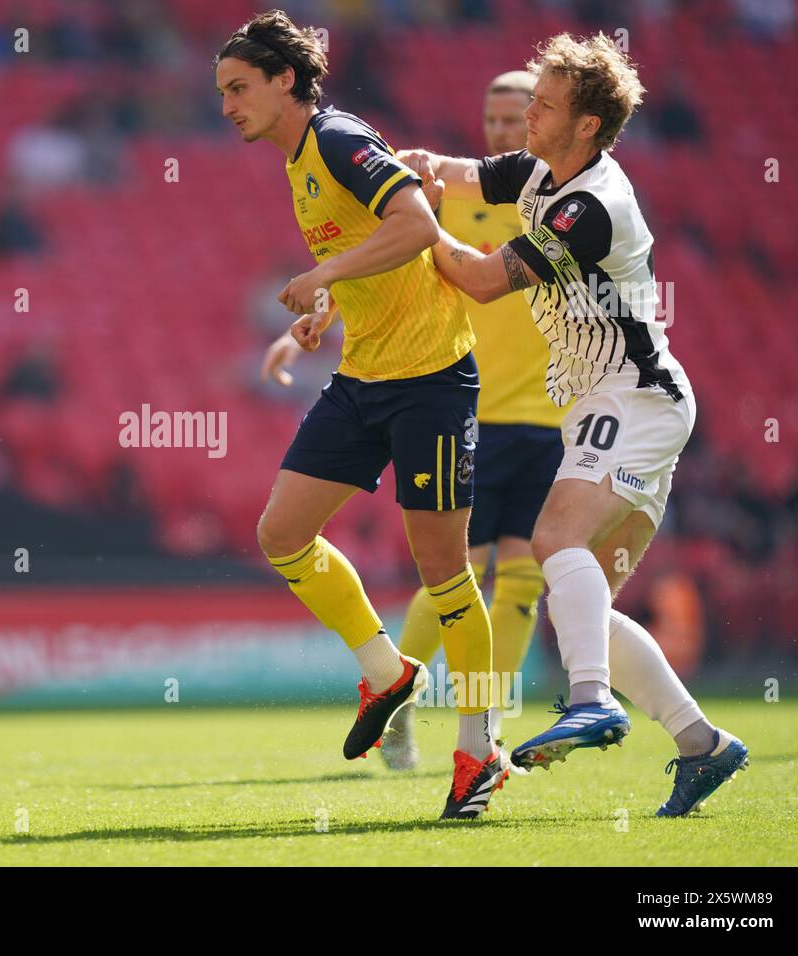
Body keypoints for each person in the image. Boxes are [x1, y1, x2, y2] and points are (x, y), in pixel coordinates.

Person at [401, 33, 747, 816]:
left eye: (546, 104)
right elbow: (461, 173)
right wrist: (406, 168)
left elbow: (487, 281)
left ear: (586, 126)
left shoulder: (589, 207)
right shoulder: (543, 170)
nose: (529, 113)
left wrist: (416, 230)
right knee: (580, 598)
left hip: (633, 398)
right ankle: (702, 744)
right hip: (615, 404)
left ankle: (591, 701)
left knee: (551, 541)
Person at [220, 9, 503, 819]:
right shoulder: (300, 159)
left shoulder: (340, 136)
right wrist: (330, 304)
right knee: (281, 535)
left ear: (286, 82)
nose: (230, 105)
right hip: (363, 376)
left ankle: (479, 751)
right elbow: (378, 250)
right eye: (223, 92)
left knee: (444, 572)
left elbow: (414, 223)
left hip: (433, 383)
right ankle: (388, 674)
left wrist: (320, 272)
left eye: (240, 88)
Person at [386, 70, 566, 772]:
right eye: (489, 119)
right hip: (472, 412)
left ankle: (490, 729)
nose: (498, 131)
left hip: (550, 418)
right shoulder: (451, 200)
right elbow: (396, 263)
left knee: (522, 580)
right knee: (458, 574)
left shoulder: (565, 205)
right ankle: (394, 706)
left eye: (513, 118)